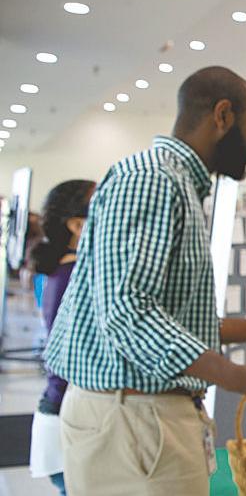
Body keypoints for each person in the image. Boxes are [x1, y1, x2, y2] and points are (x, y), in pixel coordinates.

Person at [43, 66, 246, 496]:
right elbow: (129, 314)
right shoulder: (153, 179)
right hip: (133, 419)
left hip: (142, 418)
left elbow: (162, 318)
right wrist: (241, 378)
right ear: (222, 116)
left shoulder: (176, 184)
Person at [27, 179, 96, 495]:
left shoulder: (60, 270)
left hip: (65, 412)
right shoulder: (74, 275)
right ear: (77, 225)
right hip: (69, 417)